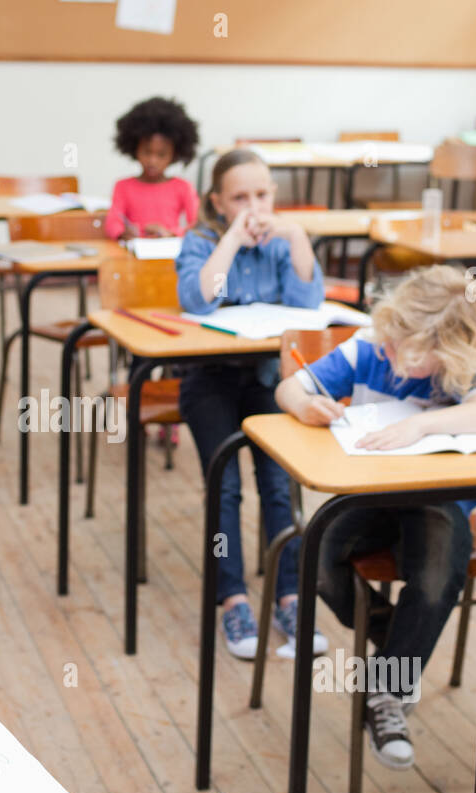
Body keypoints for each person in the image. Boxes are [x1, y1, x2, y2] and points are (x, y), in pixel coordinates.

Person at [276, 264, 476, 769]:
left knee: (438, 573)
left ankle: (386, 693)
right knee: (317, 556)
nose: (394, 356)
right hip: (368, 494)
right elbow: (288, 388)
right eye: (394, 344)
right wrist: (305, 405)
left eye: (409, 353)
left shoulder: (458, 371)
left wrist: (423, 426)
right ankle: (403, 642)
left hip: (436, 500)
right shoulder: (371, 346)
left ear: (449, 352)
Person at [176, 147, 326, 661]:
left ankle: (290, 596)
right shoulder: (201, 242)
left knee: (278, 485)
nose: (253, 206)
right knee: (227, 489)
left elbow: (308, 306)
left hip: (266, 381)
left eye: (262, 195)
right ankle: (233, 599)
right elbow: (199, 299)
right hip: (210, 382)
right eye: (239, 198)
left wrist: (298, 236)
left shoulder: (282, 245)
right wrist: (232, 239)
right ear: (216, 202)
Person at [104, 96, 201, 241]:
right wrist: (122, 232)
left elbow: (197, 224)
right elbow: (112, 221)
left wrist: (171, 233)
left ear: (174, 155)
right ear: (135, 150)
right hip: (133, 254)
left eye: (161, 155)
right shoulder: (123, 186)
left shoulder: (183, 187)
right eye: (147, 152)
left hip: (169, 253)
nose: (152, 161)